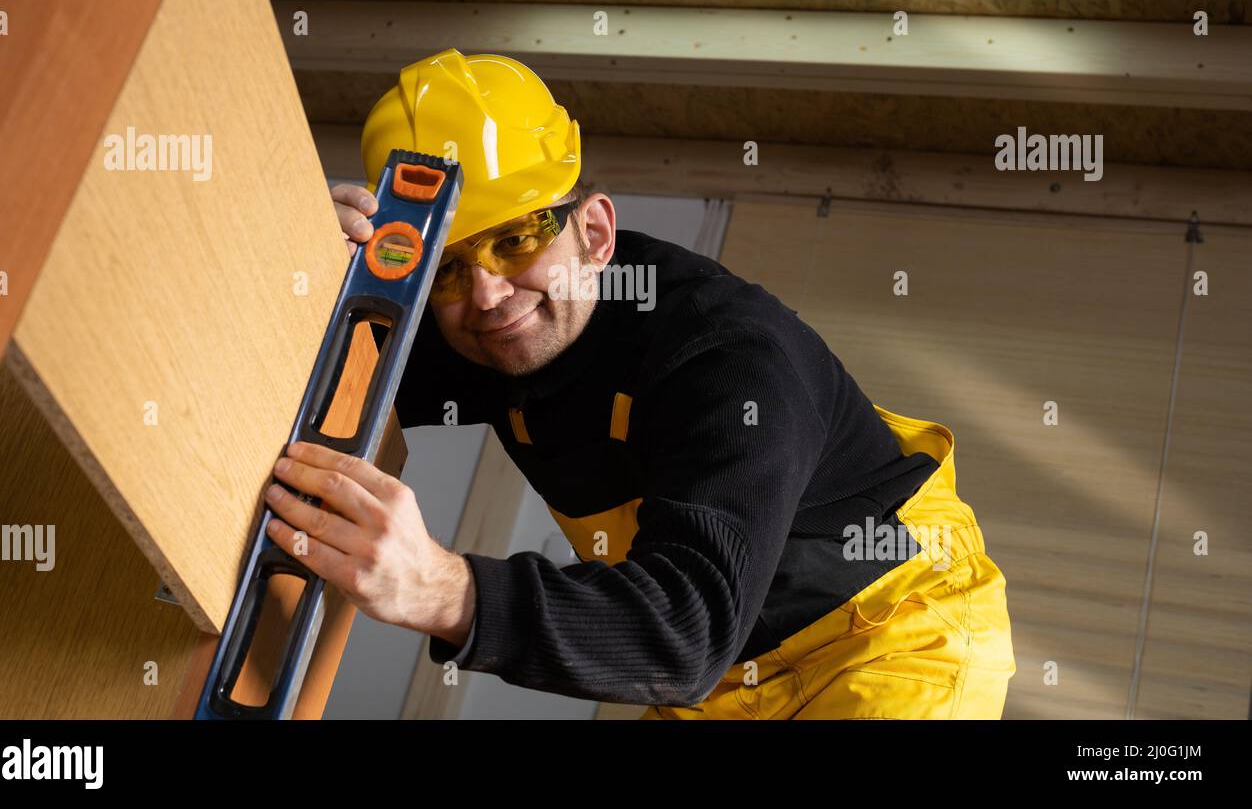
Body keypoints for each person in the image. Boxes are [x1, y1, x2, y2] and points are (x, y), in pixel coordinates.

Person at [263, 47, 1017, 719]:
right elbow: (319, 383)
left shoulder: (727, 357)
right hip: (719, 684)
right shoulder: (477, 324)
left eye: (517, 238)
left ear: (592, 232)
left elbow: (686, 634)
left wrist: (441, 588)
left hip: (886, 643)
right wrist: (301, 271)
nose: (488, 294)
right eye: (449, 266)